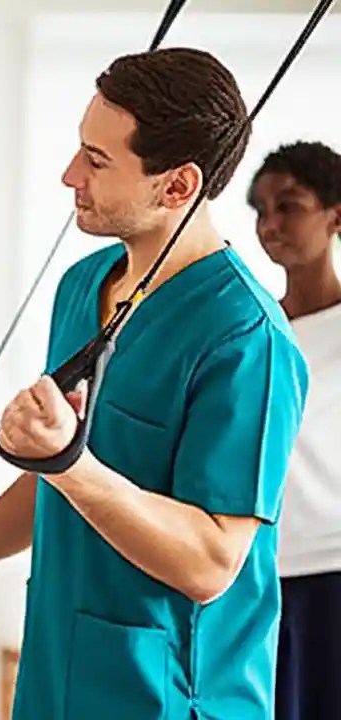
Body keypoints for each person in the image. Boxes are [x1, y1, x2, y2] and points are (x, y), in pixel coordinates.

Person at [0, 47, 308, 719]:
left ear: (177, 186)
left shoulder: (247, 338)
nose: (69, 175)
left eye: (97, 162)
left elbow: (210, 562)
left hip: (171, 695)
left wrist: (69, 462)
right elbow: (57, 487)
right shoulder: (85, 286)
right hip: (59, 678)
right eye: (80, 149)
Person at [247, 139, 341, 720]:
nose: (271, 222)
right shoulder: (254, 326)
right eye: (260, 209)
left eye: (290, 205)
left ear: (335, 215)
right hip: (258, 566)